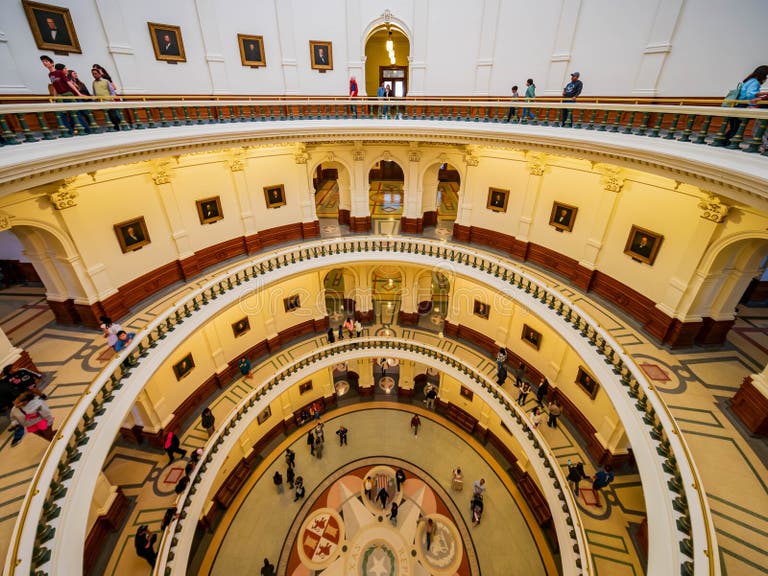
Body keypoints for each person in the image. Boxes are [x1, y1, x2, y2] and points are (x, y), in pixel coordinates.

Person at [723, 65, 768, 146]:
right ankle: (730, 144)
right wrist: (764, 93)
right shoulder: (755, 82)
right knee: (736, 128)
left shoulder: (749, 80)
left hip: (736, 105)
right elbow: (750, 94)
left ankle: (725, 143)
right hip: (742, 105)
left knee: (734, 127)